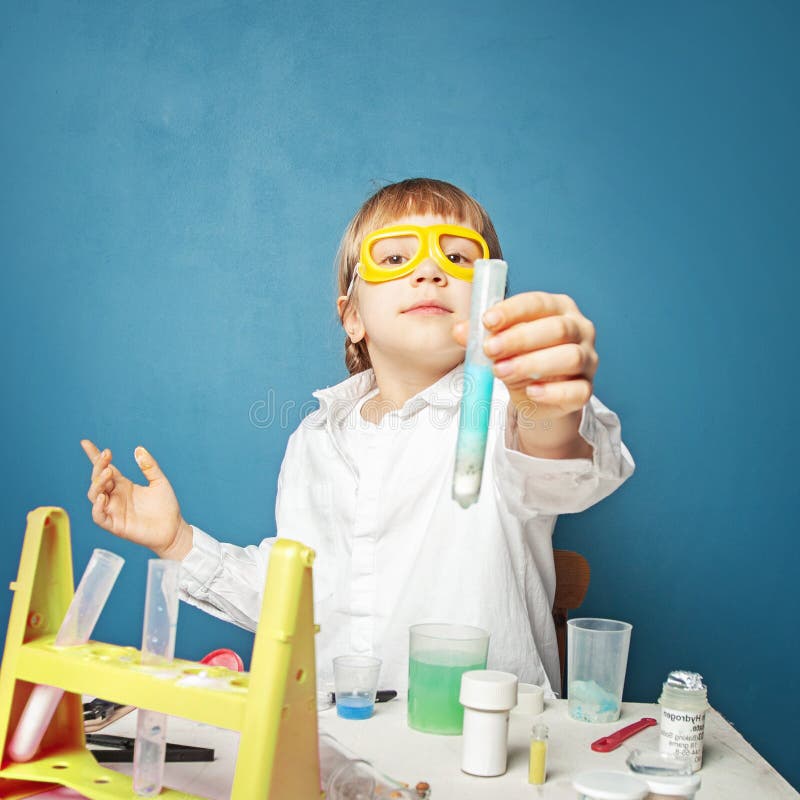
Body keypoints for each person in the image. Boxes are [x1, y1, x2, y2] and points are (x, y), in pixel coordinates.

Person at [81, 178, 634, 696]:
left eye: (458, 257)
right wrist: (177, 542)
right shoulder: (314, 439)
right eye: (395, 258)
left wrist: (548, 400)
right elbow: (294, 599)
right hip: (339, 742)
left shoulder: (504, 414)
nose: (429, 272)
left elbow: (561, 465)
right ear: (352, 318)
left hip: (482, 748)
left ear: (489, 303)